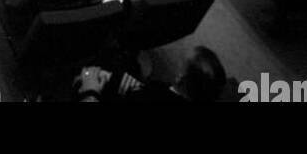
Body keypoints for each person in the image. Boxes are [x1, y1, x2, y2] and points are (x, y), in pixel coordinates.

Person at [76, 45, 226, 103]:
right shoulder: (164, 90)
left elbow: (140, 92)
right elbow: (140, 87)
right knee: (127, 61)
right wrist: (110, 77)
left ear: (180, 78)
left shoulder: (149, 97)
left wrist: (90, 90)